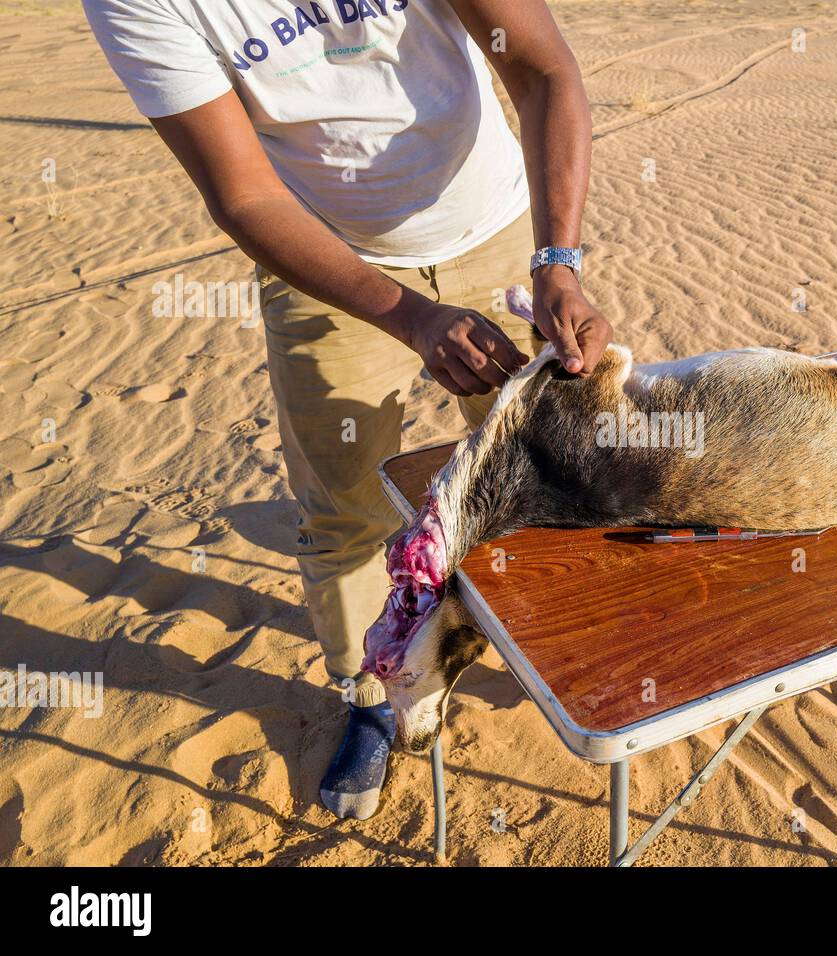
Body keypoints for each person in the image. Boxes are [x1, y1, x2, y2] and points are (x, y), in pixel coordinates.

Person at [83, 0, 612, 819]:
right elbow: (246, 198)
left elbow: (542, 70)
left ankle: (550, 649)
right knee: (345, 515)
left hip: (499, 225)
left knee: (544, 473)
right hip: (327, 264)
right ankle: (371, 694)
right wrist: (409, 317)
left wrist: (558, 262)